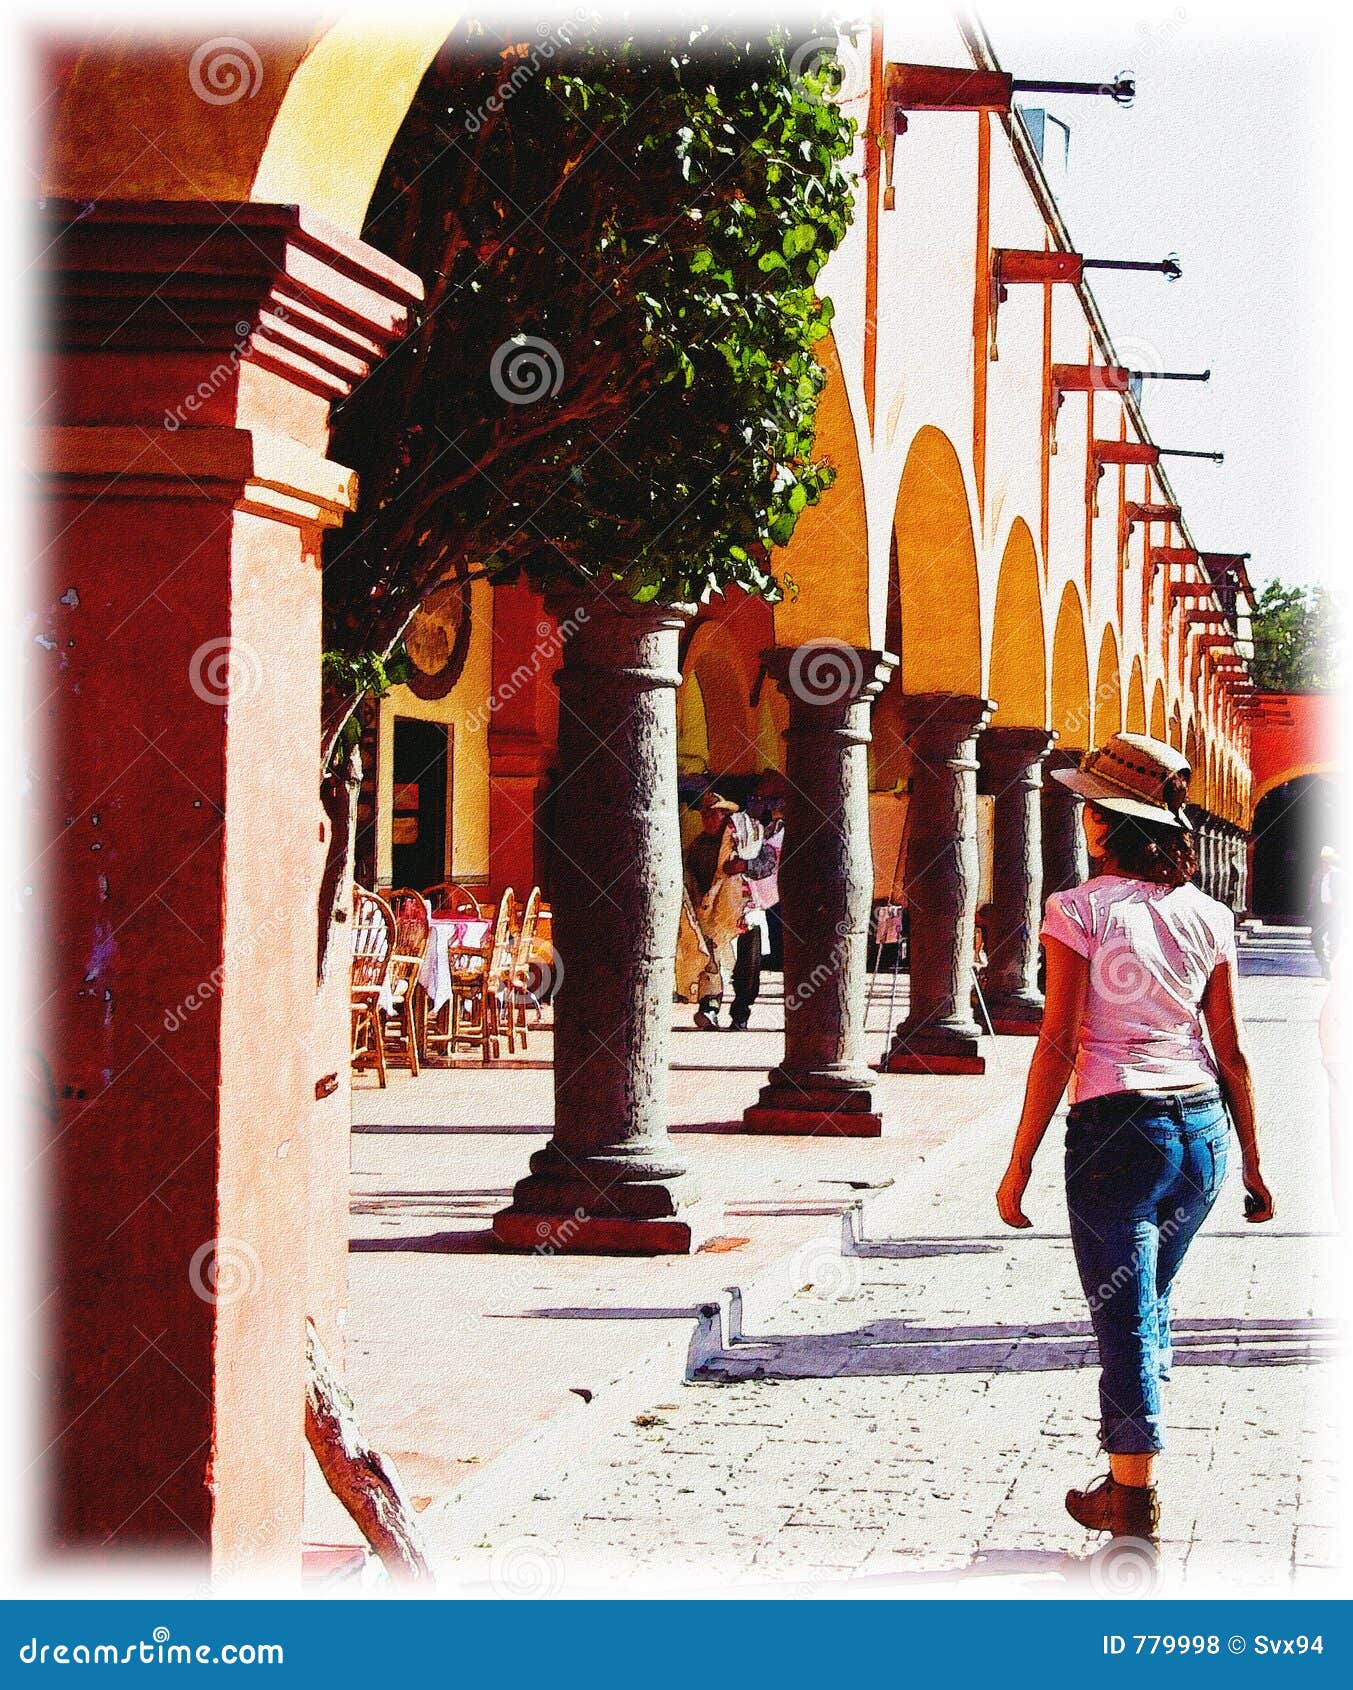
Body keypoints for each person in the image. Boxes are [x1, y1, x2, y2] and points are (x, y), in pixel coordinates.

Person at [995, 732, 1274, 1543]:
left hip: (1117, 1131)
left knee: (1124, 1321)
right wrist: (1251, 1160)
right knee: (1147, 1304)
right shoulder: (1209, 916)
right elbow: (1231, 1051)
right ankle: (1120, 1483)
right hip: (1200, 1137)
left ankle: (1132, 1501)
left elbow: (1057, 1043)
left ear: (1096, 821)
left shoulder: (1075, 910)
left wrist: (1017, 1165)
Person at [682, 791, 773, 1030]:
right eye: (705, 815)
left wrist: (745, 865)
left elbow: (768, 864)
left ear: (726, 817)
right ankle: (709, 1008)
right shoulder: (698, 846)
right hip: (711, 916)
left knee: (748, 967)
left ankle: (741, 1013)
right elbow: (690, 877)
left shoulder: (747, 839)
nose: (709, 820)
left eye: (715, 815)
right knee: (709, 963)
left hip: (746, 913)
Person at [1308, 845, 1343, 979]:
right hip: (1320, 911)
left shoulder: (1339, 874)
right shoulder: (1317, 874)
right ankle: (1325, 963)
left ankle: (1332, 968)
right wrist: (1310, 909)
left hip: (1334, 910)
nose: (1325, 862)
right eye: (1323, 860)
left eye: (1327, 859)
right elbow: (1313, 892)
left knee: (1335, 939)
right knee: (1315, 938)